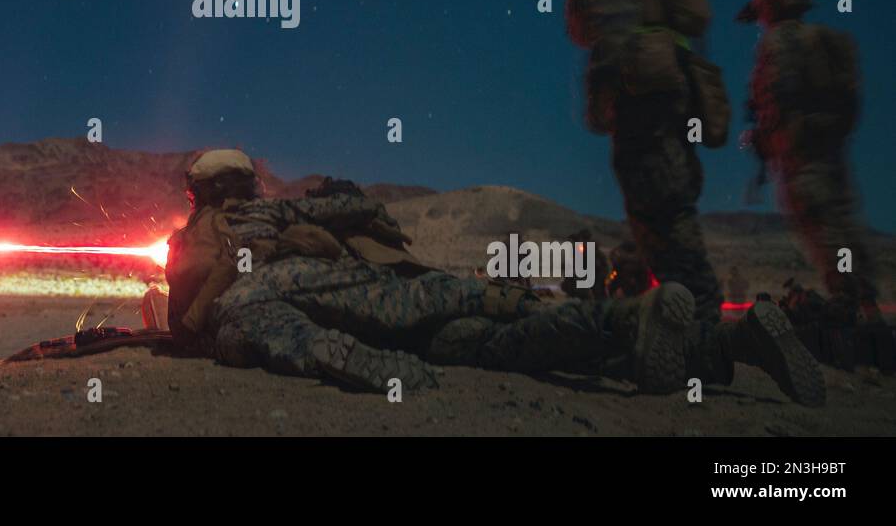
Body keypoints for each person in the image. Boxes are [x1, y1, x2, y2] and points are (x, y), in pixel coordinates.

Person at [163, 149, 824, 404]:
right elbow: (358, 207)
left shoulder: (206, 239)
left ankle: (680, 336)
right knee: (506, 331)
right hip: (397, 304)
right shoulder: (279, 211)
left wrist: (361, 363)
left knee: (501, 331)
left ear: (196, 192)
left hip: (364, 313)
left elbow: (236, 311)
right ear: (245, 180)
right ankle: (723, 343)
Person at [549, 0, 728, 325]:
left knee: (656, 207)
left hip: (640, 89)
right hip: (675, 86)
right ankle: (694, 318)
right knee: (671, 196)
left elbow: (603, 24)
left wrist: (604, 97)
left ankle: (700, 326)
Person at [738, 0, 882, 325]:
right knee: (842, 221)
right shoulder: (819, 41)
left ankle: (848, 305)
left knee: (822, 226)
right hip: (829, 148)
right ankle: (867, 305)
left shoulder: (779, 43)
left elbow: (778, 96)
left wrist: (762, 137)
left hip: (798, 152)